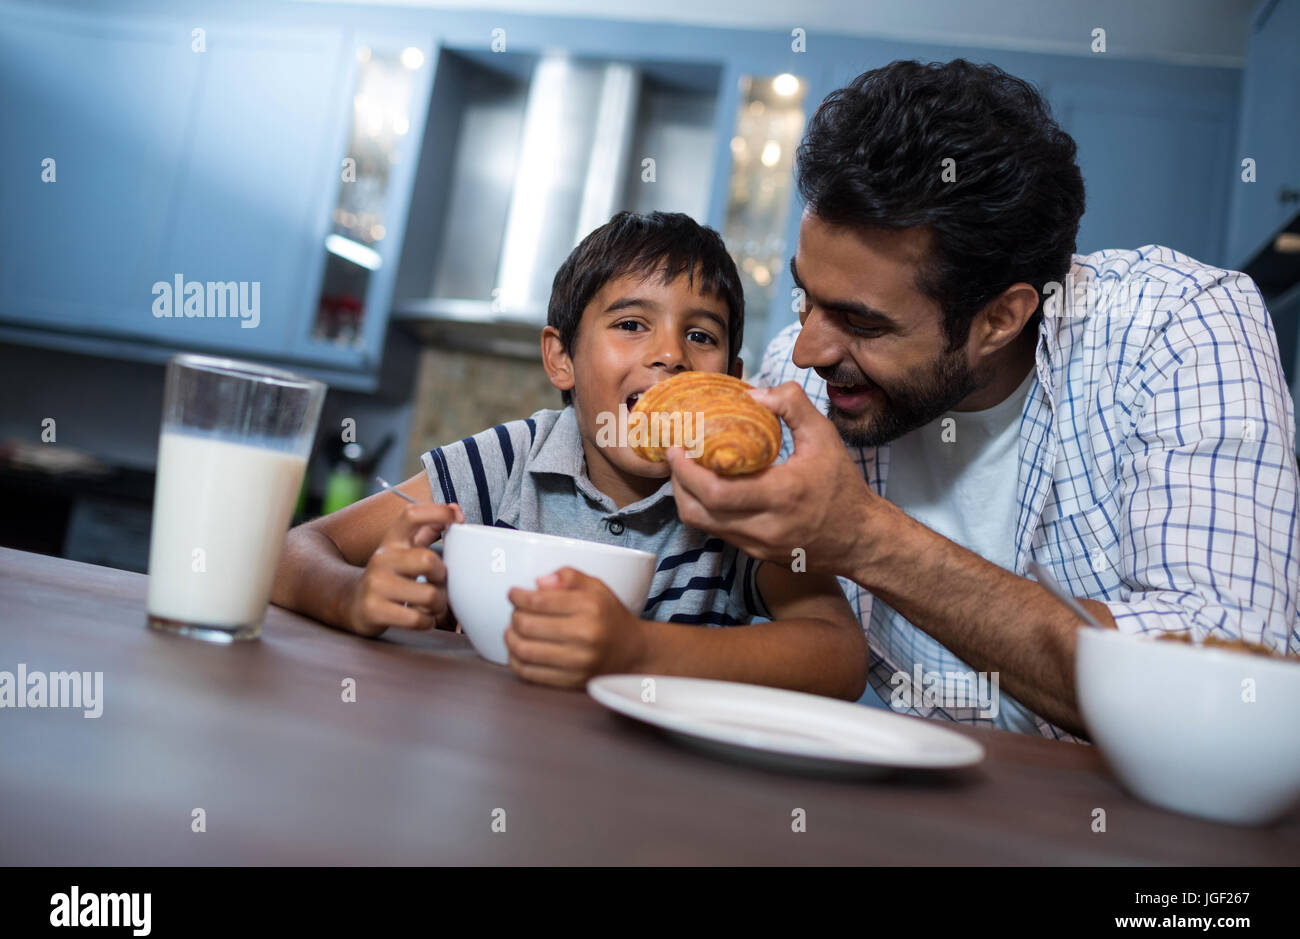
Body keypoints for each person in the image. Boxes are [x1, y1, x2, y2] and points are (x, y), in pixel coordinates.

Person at [666, 60, 1300, 740]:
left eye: (862, 322)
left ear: (1001, 318)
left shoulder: (1179, 325)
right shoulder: (802, 383)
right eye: (805, 296)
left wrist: (864, 538)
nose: (806, 352)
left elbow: (1226, 685)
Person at [272, 211, 867, 699]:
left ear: (730, 381)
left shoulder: (740, 506)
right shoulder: (504, 463)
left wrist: (637, 651)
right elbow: (290, 551)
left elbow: (838, 655)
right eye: (632, 323)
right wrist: (352, 595)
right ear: (562, 358)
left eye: (701, 335)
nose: (669, 355)